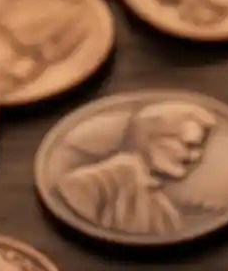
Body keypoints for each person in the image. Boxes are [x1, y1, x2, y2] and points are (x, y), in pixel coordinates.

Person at [53, 101, 216, 236]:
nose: (196, 157)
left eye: (199, 148)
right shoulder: (88, 183)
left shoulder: (164, 210)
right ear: (151, 139)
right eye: (189, 145)